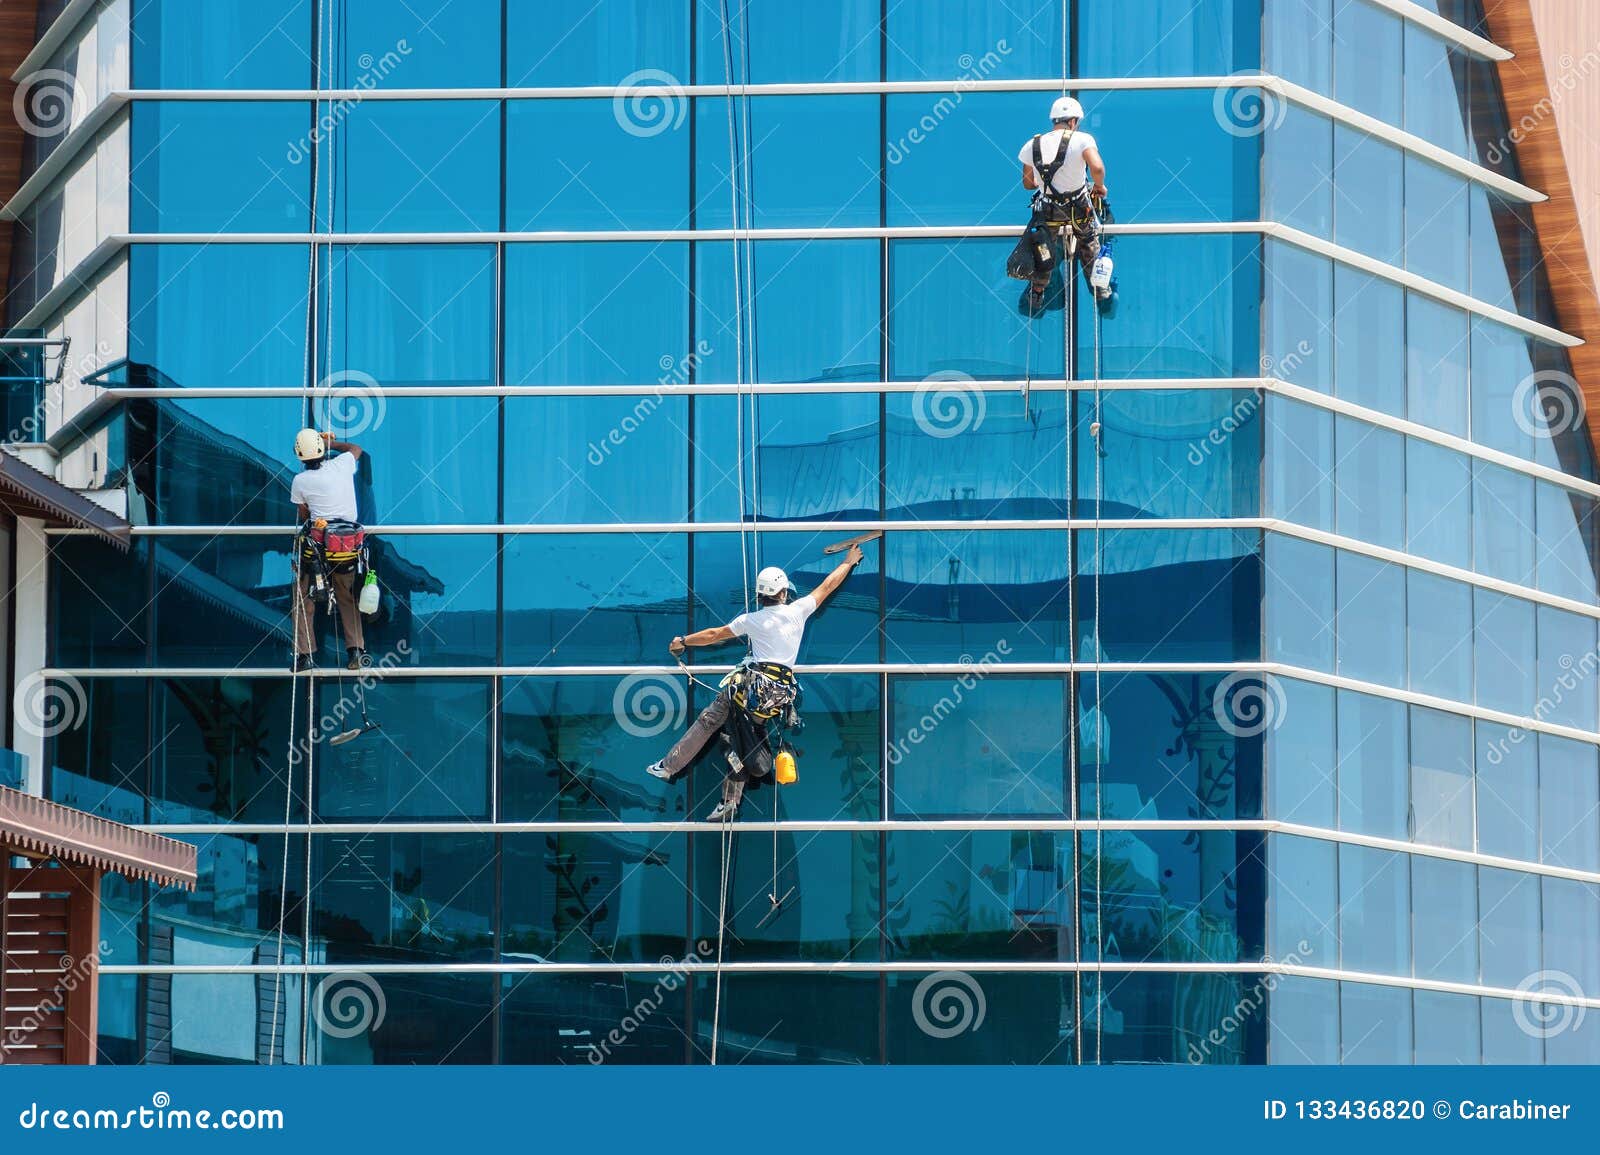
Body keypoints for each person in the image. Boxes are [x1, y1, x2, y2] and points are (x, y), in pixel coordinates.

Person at [646, 544, 864, 820]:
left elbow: (714, 635)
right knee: (742, 737)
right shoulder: (798, 611)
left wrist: (683, 641)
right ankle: (729, 801)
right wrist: (849, 561)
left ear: (760, 596)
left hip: (751, 688)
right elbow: (828, 586)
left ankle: (669, 767)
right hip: (776, 696)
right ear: (783, 593)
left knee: (709, 722)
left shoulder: (751, 620)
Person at [1018, 95, 1109, 312]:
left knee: (1044, 248)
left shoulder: (1033, 144)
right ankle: (1101, 292)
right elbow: (1097, 168)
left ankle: (1037, 291)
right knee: (1088, 242)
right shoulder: (1082, 140)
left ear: (1054, 120)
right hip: (1078, 208)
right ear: (1073, 121)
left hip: (1048, 210)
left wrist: (1045, 181)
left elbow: (1028, 184)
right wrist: (1099, 186)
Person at [289, 428, 367, 671]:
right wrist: (331, 443)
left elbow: (304, 515)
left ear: (300, 455)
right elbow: (356, 449)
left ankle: (305, 655)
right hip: (346, 548)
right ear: (322, 450)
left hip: (317, 551)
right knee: (347, 597)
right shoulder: (342, 465)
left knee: (303, 599)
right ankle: (356, 652)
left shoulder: (300, 481)